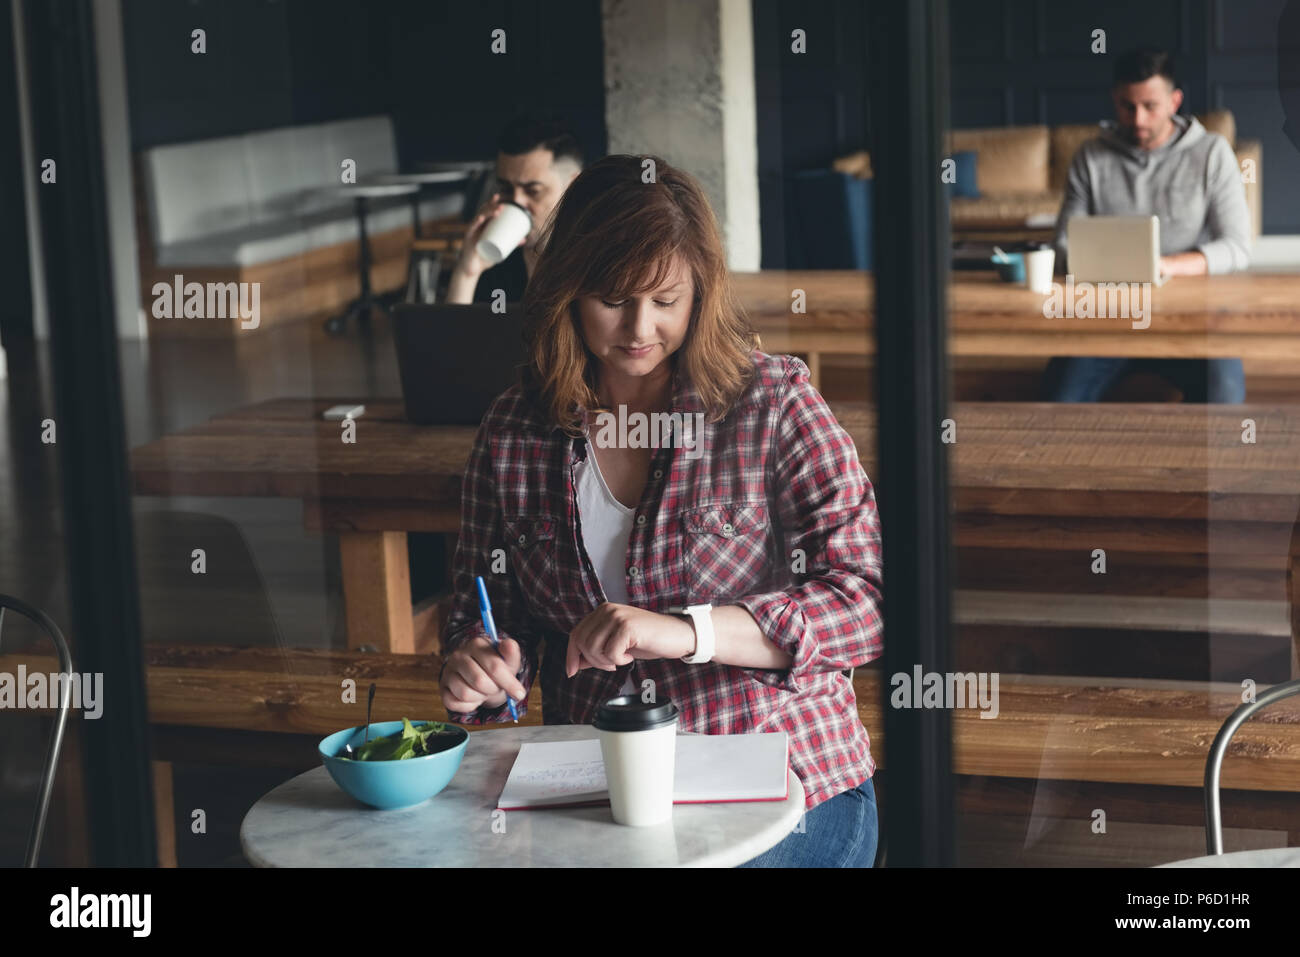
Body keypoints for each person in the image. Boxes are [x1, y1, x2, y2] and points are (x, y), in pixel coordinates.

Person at [437, 155, 884, 867]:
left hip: (787, 778)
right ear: (567, 292)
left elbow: (867, 601)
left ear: (700, 293)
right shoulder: (514, 428)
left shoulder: (771, 404)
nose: (640, 327)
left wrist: (685, 630)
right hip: (599, 789)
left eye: (667, 300)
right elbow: (483, 614)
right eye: (613, 299)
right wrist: (480, 667)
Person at [1043, 46, 1252, 403]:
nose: (1137, 119)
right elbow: (1062, 244)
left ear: (1174, 101)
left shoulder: (1212, 153)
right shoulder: (1090, 156)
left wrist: (1162, 267)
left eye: (1150, 106)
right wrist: (1108, 269)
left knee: (1227, 395)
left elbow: (1237, 248)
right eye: (1127, 106)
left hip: (1193, 322)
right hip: (1106, 320)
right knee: (1058, 399)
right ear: (1115, 100)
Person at [444, 113, 584, 305]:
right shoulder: (496, 260)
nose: (516, 202)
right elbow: (454, 334)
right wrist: (467, 273)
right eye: (506, 189)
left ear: (572, 188)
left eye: (533, 191)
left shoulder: (593, 263)